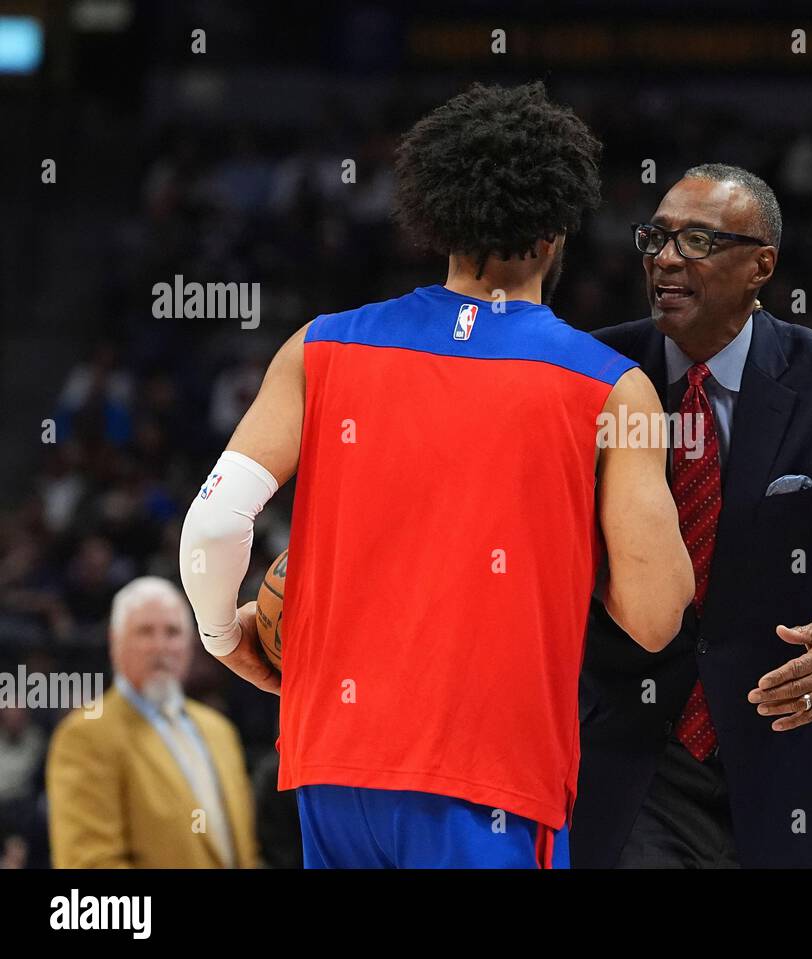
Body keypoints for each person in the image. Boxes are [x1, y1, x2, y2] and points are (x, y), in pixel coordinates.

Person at [178, 82, 693, 869]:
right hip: (489, 777)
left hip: (332, 763)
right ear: (558, 230)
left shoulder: (320, 348)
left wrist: (223, 637)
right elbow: (656, 615)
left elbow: (213, 525)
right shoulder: (610, 389)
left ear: (435, 217)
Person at [572, 164, 812, 868]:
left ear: (761, 266)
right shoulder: (587, 368)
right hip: (628, 768)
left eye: (695, 240)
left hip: (781, 769)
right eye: (656, 238)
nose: (664, 258)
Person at [46, 576, 258, 868]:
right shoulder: (85, 735)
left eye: (172, 633)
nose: (161, 647)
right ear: (114, 642)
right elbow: (90, 862)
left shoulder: (219, 730)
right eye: (145, 632)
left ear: (189, 644)